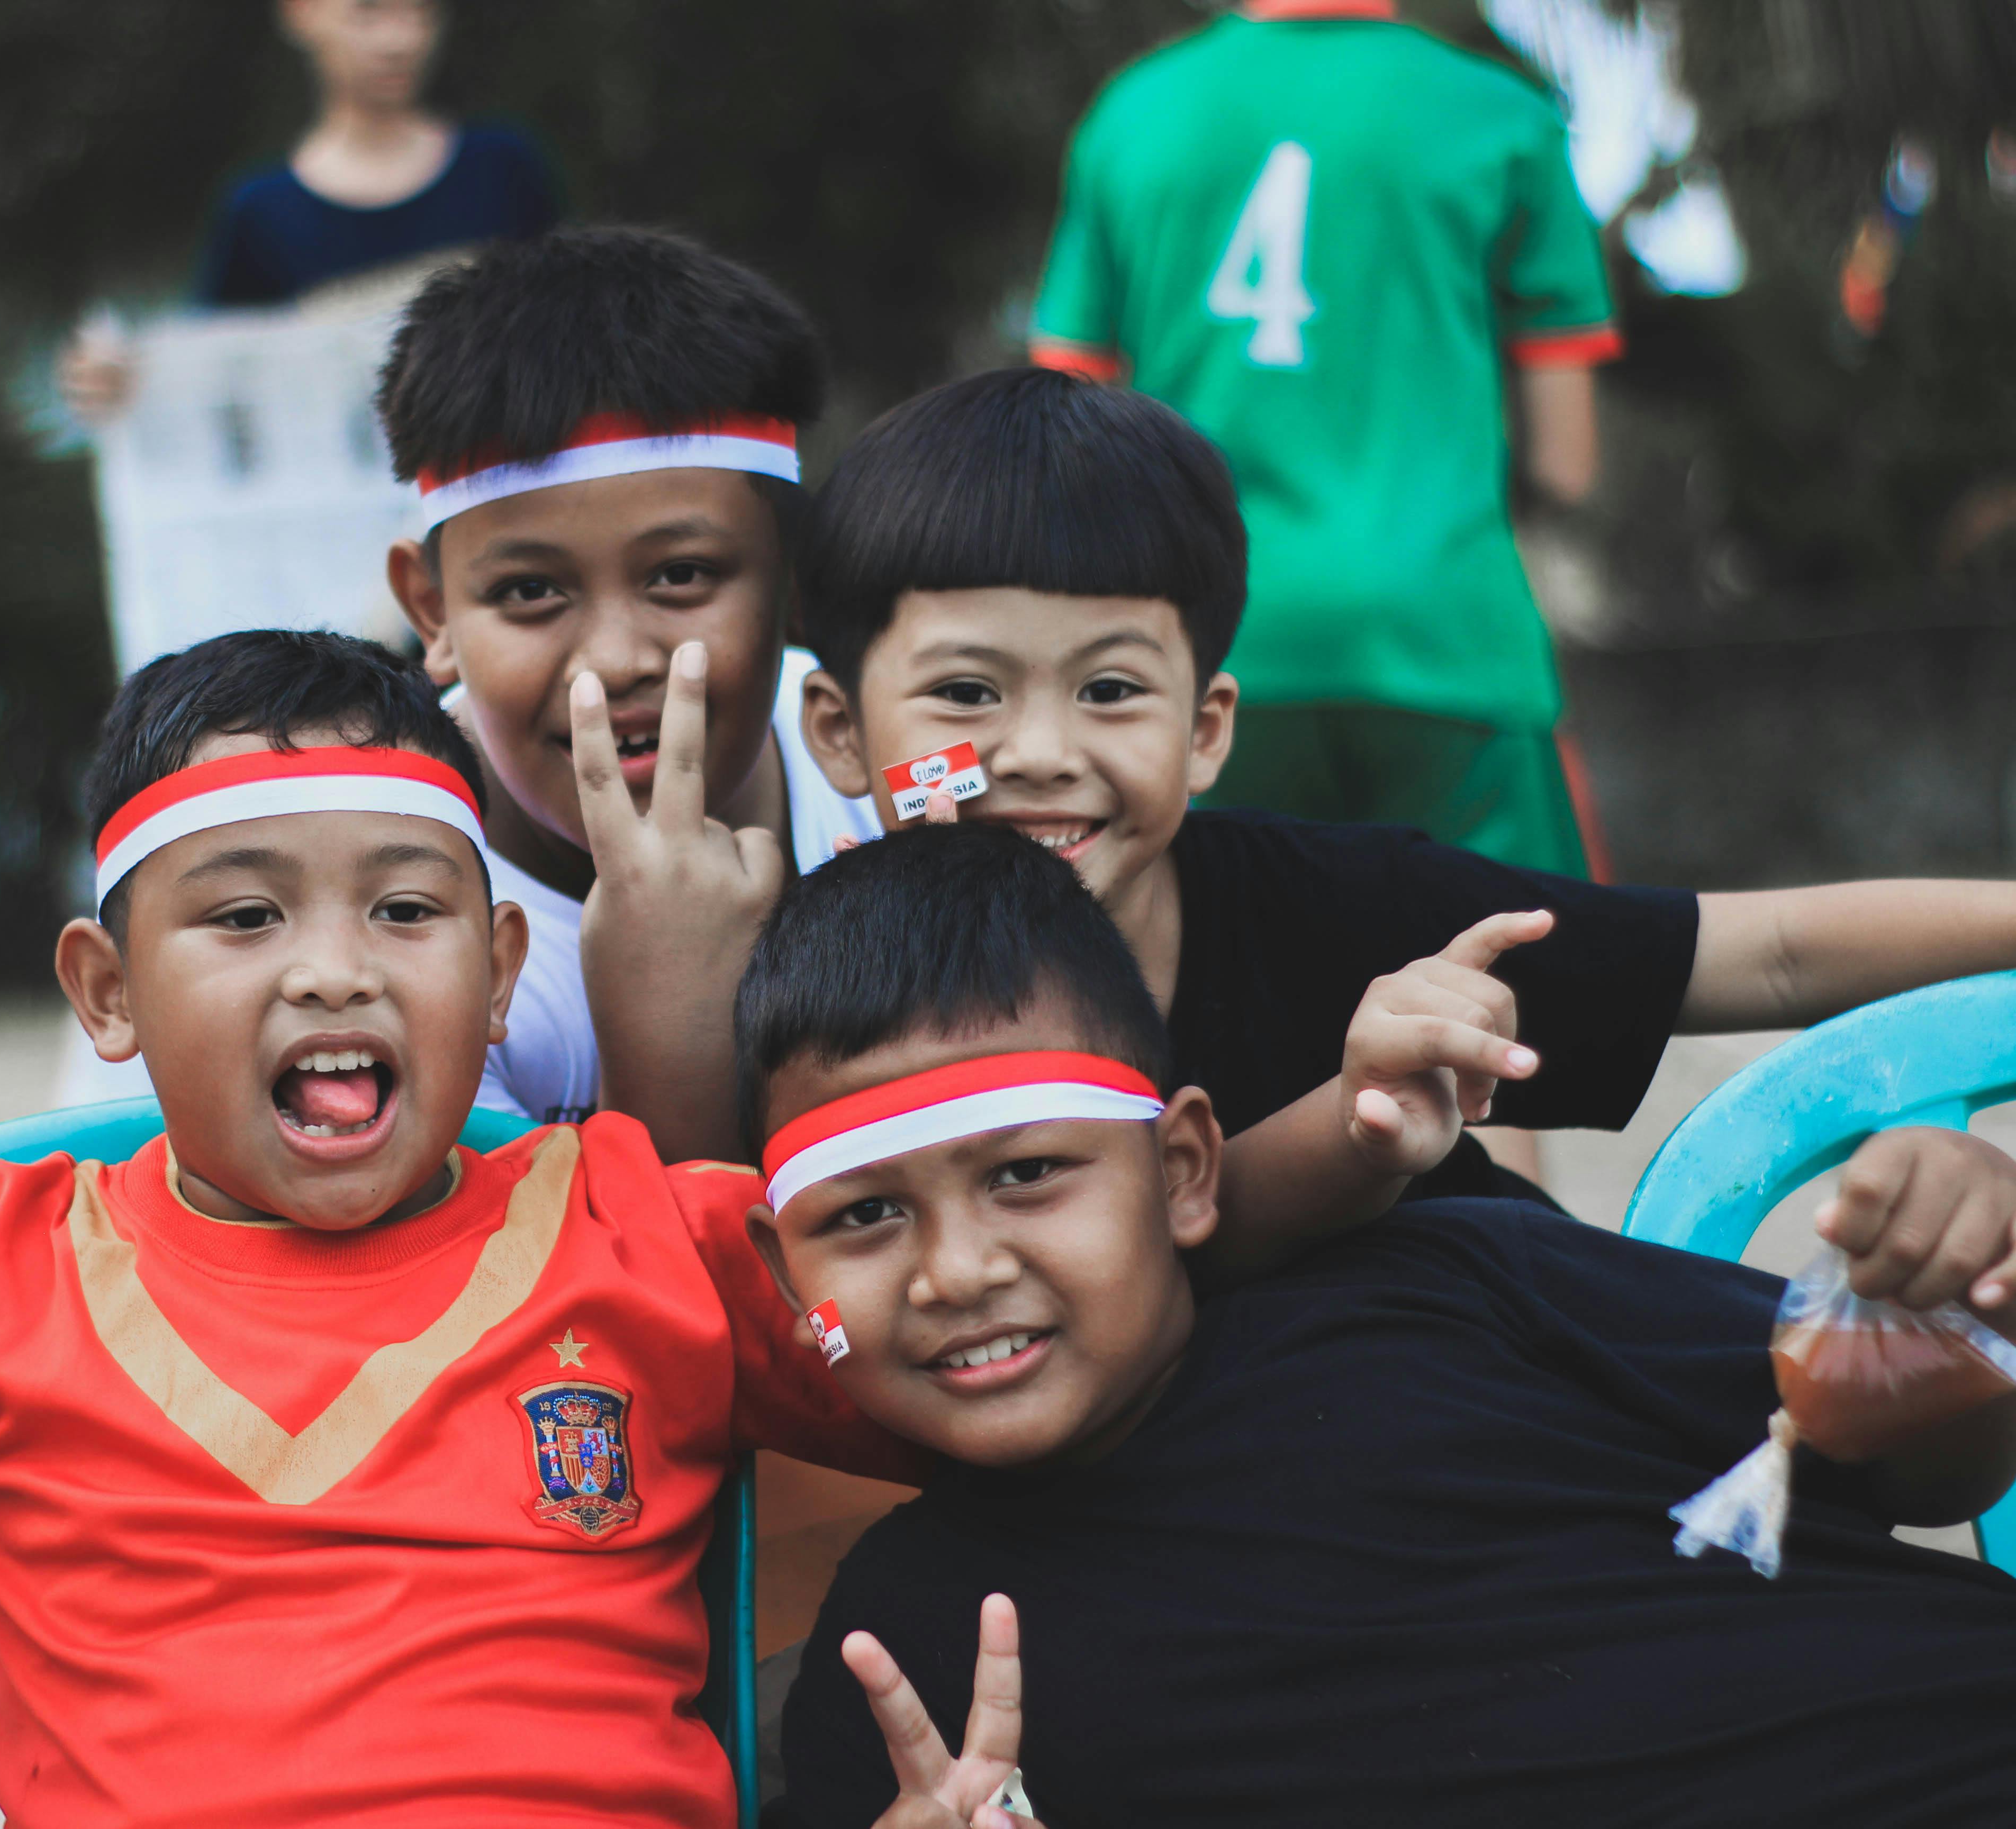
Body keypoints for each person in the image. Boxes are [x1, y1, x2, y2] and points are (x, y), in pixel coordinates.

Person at [0, 630, 916, 1829]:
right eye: (246, 918)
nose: (335, 973)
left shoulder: (646, 1235)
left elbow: (1044, 1383)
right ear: (105, 992)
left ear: (504, 964)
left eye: (404, 911)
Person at [742, 824, 2016, 1827]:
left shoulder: (1458, 1280)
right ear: (783, 1276)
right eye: (864, 1216)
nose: (956, 1270)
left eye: (1025, 1174)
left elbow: (1917, 1466)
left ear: (1185, 1168)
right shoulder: (896, 1659)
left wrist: (1940, 1313)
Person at [779, 366, 2016, 1208]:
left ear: (1207, 729)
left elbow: (1774, 954)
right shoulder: (813, 999)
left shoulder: (1348, 905)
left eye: (1108, 692)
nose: (1041, 750)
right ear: (838, 731)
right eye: (965, 695)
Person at [1028, 0, 1613, 880]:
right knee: (1524, 978)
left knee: (1231, 988)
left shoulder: (1131, 110)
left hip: (1198, 645)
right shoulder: (1499, 111)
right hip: (1441, 635)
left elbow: (1059, 435)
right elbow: (1562, 467)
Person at [375, 225, 881, 1153]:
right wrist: (664, 1038)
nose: (612, 661)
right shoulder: (380, 916)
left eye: (681, 576)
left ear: (795, 580)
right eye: (530, 592)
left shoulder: (892, 777)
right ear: (433, 612)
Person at [57, 0, 556, 419]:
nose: (400, 39)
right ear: (301, 12)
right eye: (369, 11)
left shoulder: (503, 166)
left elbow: (581, 335)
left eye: (419, 10)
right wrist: (121, 381)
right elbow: (218, 382)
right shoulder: (260, 211)